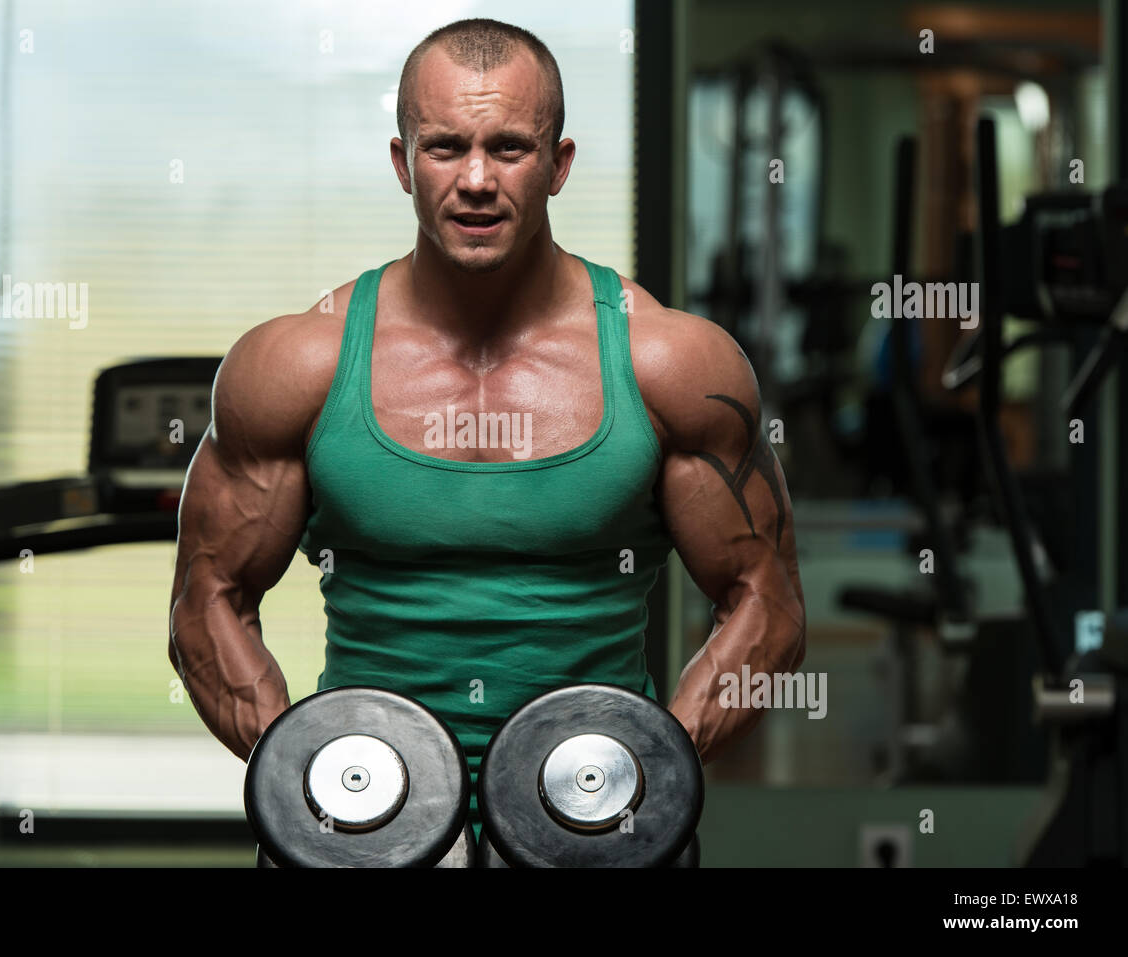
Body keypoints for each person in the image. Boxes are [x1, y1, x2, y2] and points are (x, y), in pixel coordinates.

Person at [169, 18, 806, 834]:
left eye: (508, 147)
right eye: (443, 148)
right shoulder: (296, 366)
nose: (475, 179)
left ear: (558, 165)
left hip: (598, 828)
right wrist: (308, 780)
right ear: (402, 164)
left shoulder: (671, 364)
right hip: (362, 829)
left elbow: (769, 601)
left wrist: (647, 776)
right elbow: (206, 598)